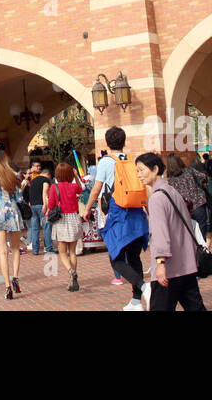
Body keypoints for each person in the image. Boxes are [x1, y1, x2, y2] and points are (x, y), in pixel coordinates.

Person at [80, 126, 149, 311]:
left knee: (116, 258)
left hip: (118, 214)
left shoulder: (105, 162)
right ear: (124, 141)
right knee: (134, 258)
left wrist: (87, 209)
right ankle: (136, 301)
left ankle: (144, 287)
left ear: (108, 143)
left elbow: (96, 188)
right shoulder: (132, 160)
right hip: (136, 212)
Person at [140, 152, 207, 312]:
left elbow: (160, 234)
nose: (139, 175)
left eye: (141, 170)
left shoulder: (157, 198)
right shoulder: (172, 191)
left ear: (155, 169)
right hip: (186, 265)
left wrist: (161, 263)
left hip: (169, 270)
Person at [0, 149, 26, 299]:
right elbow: (19, 197)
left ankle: (7, 286)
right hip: (12, 211)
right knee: (15, 249)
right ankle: (15, 277)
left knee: (2, 251)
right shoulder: (14, 175)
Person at [43, 161, 84, 292]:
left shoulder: (54, 187)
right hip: (74, 218)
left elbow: (51, 205)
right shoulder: (73, 187)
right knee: (72, 252)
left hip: (61, 220)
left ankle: (71, 271)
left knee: (62, 251)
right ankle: (73, 280)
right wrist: (76, 176)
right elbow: (81, 189)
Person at [165, 152, 212, 243]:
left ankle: (193, 250)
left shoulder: (170, 180)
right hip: (198, 204)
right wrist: (201, 184)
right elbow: (203, 177)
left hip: (183, 208)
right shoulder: (189, 171)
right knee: (201, 229)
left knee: (188, 231)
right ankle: (202, 250)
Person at [22, 159, 56, 256]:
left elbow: (30, 193)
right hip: (42, 206)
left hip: (33, 206)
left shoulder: (33, 181)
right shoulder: (45, 181)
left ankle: (35, 249)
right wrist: (46, 205)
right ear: (48, 174)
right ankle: (48, 247)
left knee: (35, 228)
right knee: (47, 226)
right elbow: (45, 193)